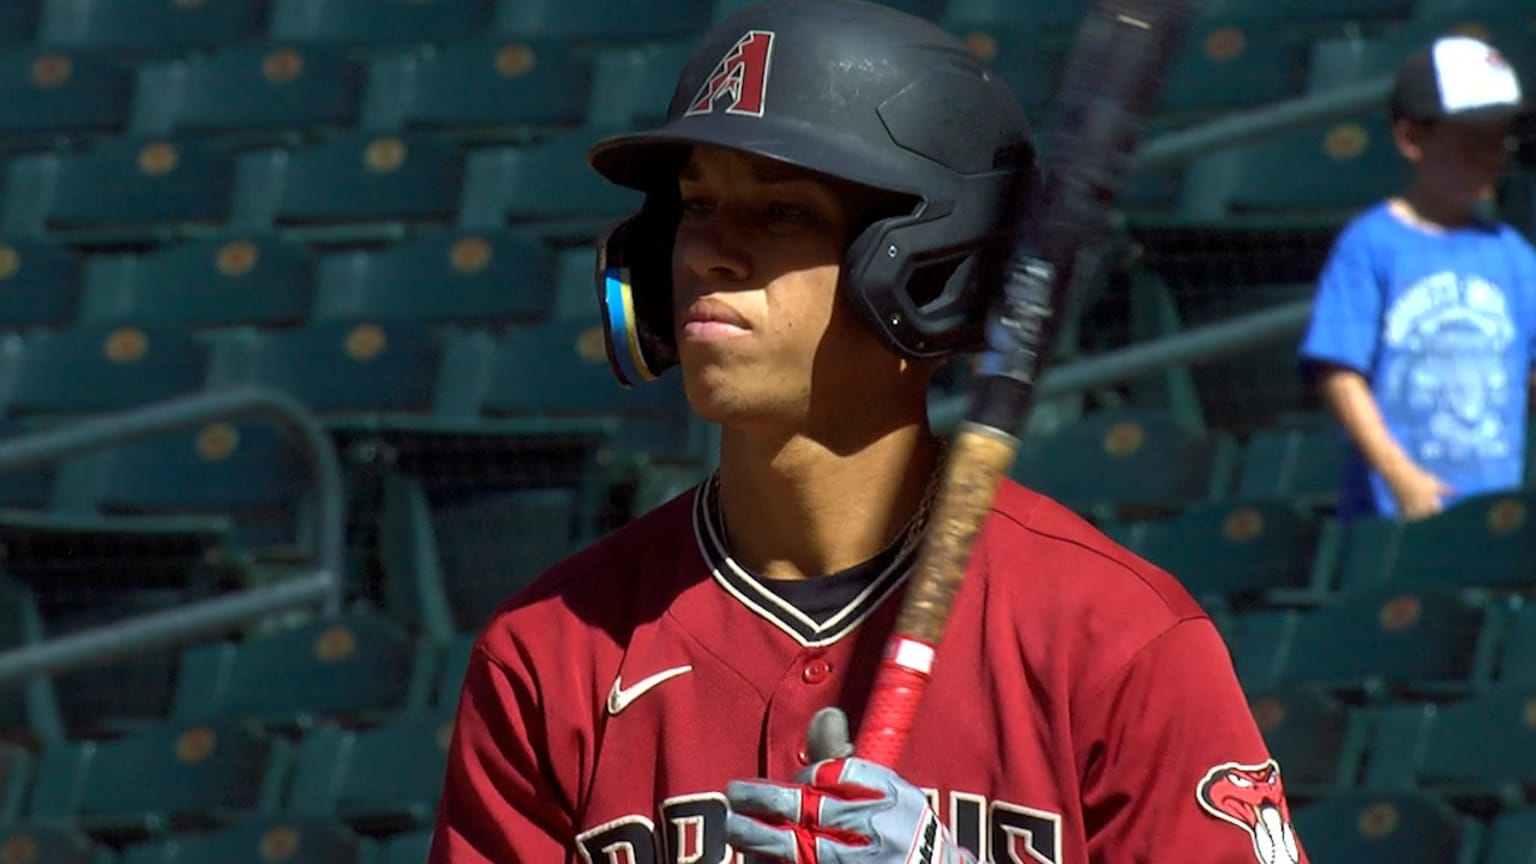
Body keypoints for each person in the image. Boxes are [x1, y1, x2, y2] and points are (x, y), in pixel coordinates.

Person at [429, 1, 1309, 862]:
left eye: (780, 213)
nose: (706, 253)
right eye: (695, 206)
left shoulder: (1114, 641)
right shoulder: (549, 653)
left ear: (926, 271)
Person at [1299, 34, 1536, 522]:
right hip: (1394, 514)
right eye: (1474, 140)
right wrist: (1400, 475)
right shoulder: (1372, 244)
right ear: (1412, 138)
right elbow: (1339, 371)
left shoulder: (1513, 254)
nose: (1492, 155)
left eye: (1500, 139)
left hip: (1496, 513)